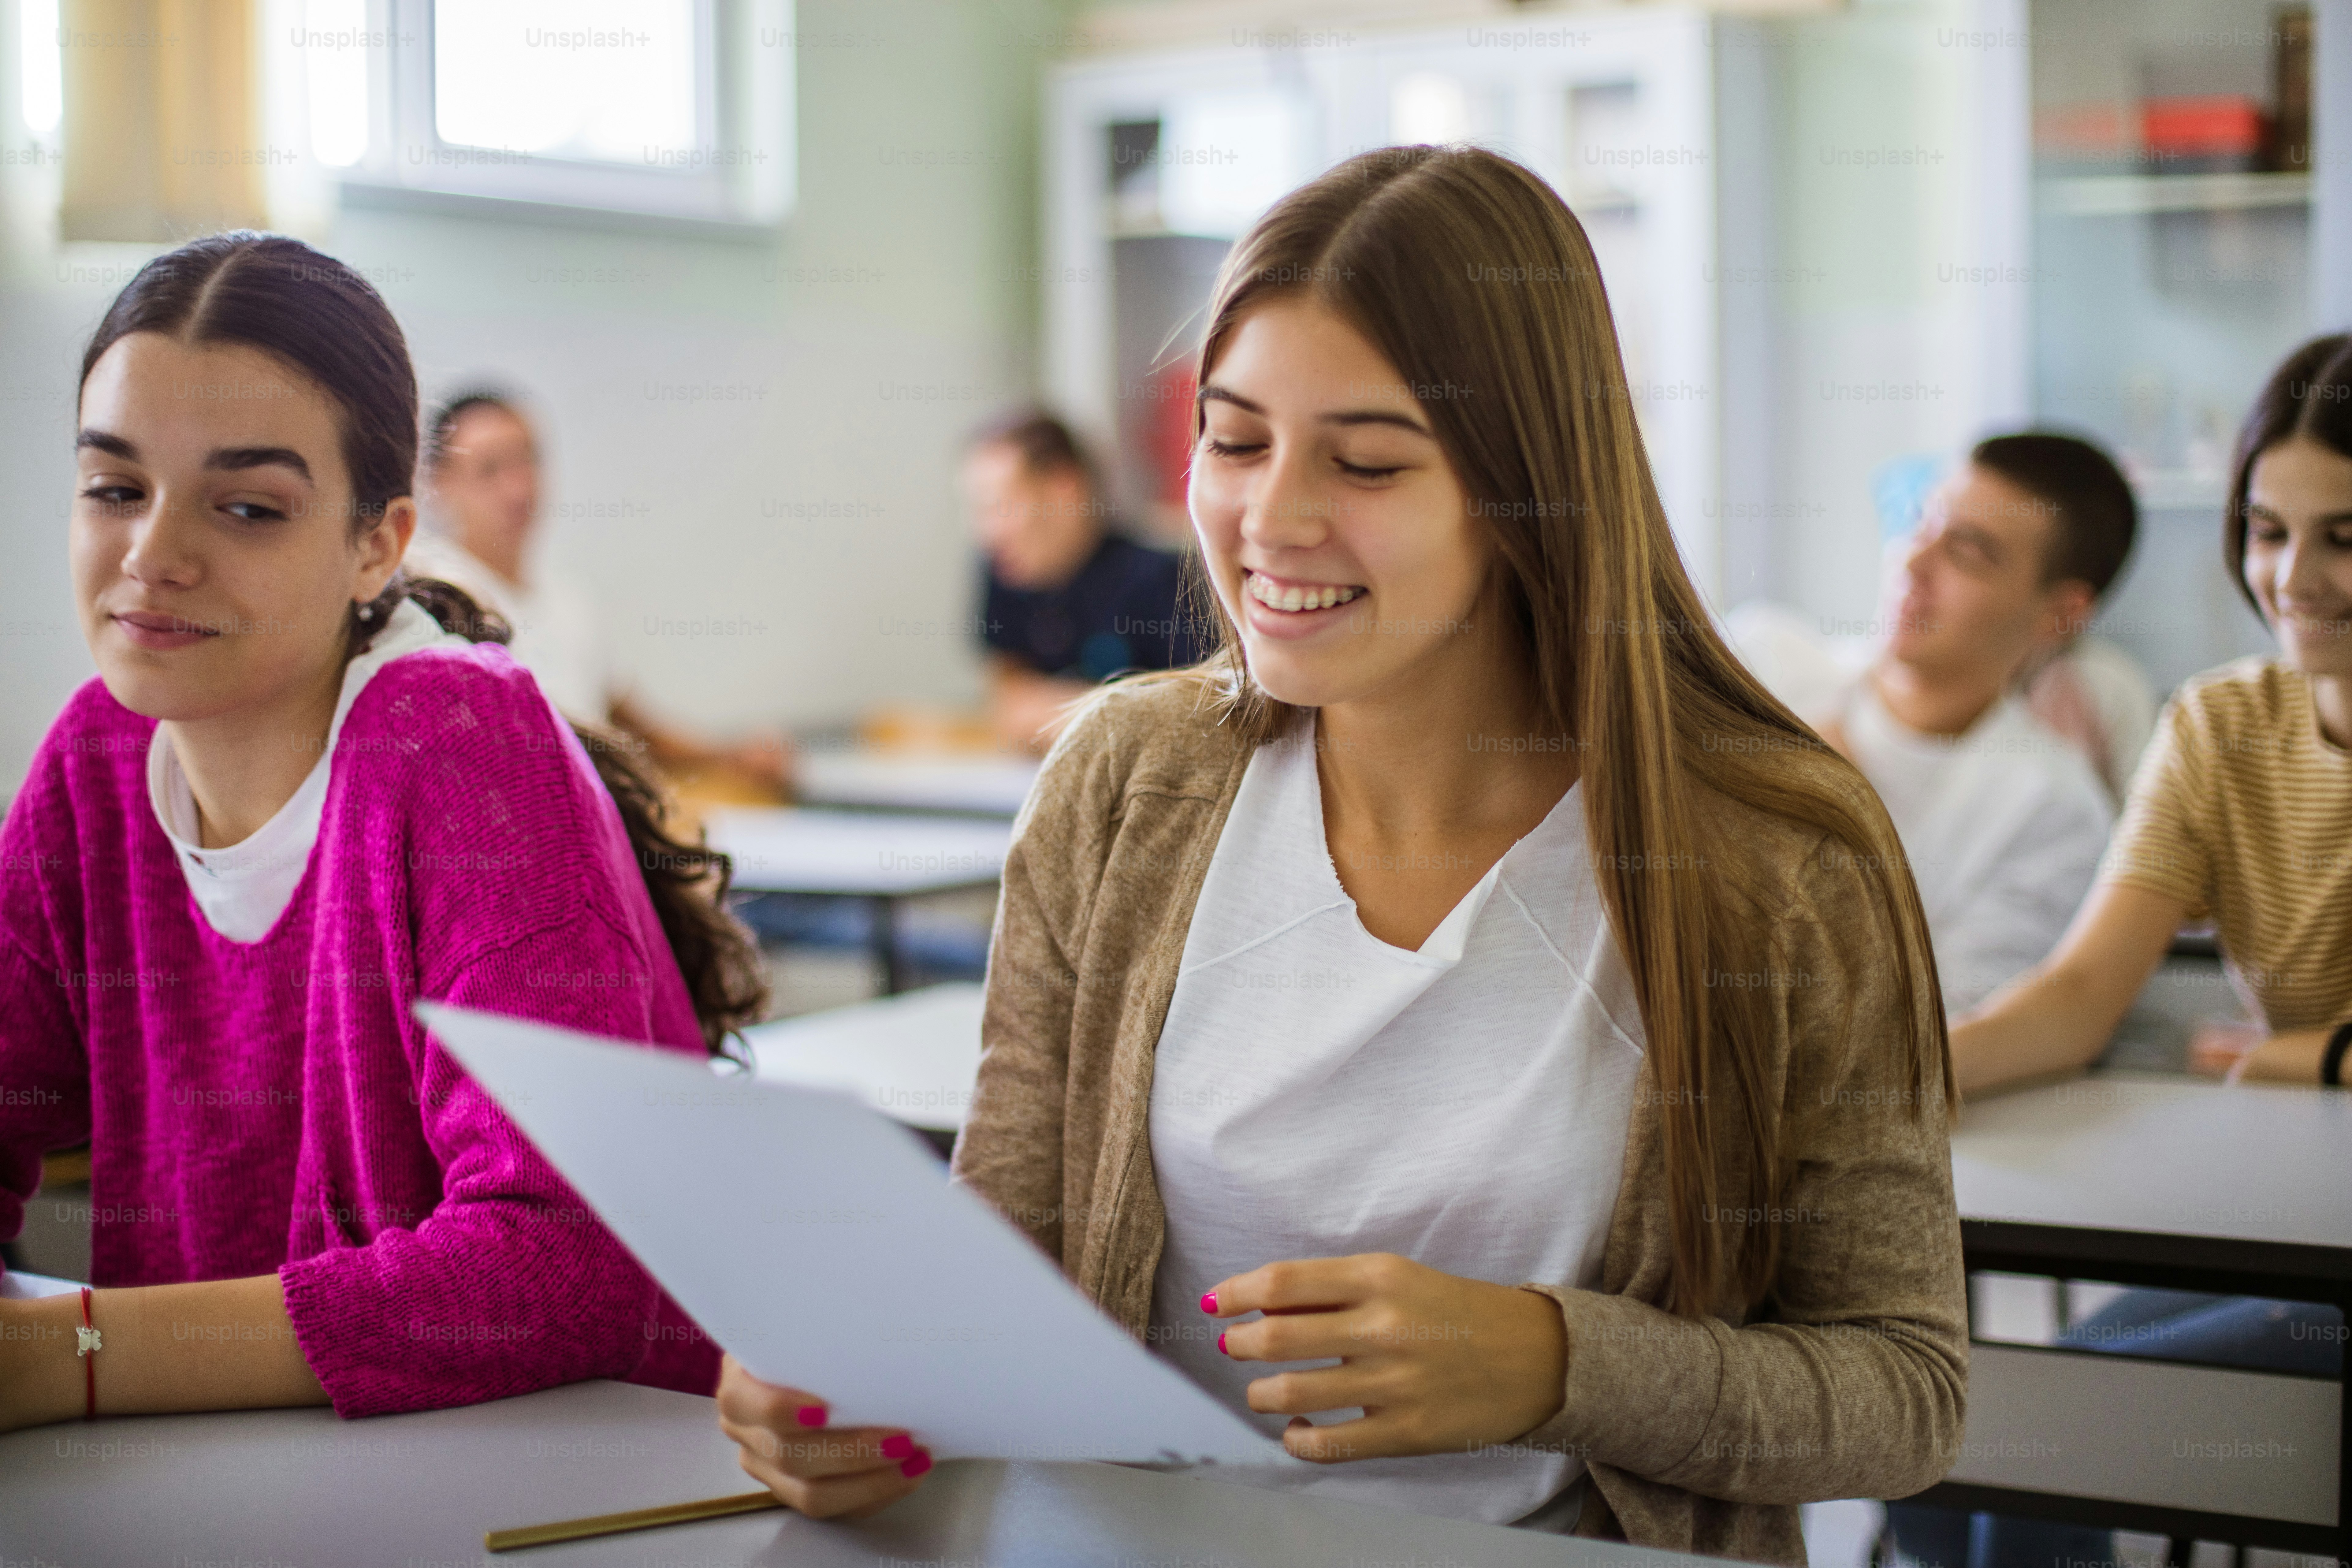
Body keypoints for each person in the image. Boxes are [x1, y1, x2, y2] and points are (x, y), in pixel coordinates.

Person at [711, 146, 1966, 1562]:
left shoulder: (1775, 852)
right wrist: (858, 1374)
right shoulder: (1121, 781)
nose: (1271, 518)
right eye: (1235, 442)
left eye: (1366, 461)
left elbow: (1903, 1391)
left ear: (1530, 491)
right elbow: (1008, 1245)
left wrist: (1558, 1365)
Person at [0, 234, 767, 1432]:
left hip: (586, 1474)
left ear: (379, 542)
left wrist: (76, 1355)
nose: (152, 555)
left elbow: (564, 1265)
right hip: (246, 1470)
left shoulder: (454, 739)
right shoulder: (97, 758)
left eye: (247, 506)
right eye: (113, 488)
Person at [1891, 335, 2352, 1568]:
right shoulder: (2218, 726)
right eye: (2265, 530)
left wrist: (2314, 1055)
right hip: (2298, 1238)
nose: (2290, 575)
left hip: (2321, 1257)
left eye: (2339, 538)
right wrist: (1879, 1087)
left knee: (2066, 1414)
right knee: (1930, 1417)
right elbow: (2077, 997)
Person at [1727, 433, 2138, 1011]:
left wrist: (1836, 814)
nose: (1913, 562)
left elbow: (1920, 1036)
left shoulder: (2053, 816)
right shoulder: (1761, 668)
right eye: (1920, 522)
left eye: (1967, 552)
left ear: (2058, 614)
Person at [414, 389, 791, 795]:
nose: (516, 489)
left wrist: (731, 756)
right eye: (490, 469)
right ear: (440, 483)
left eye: (527, 461)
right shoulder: (435, 600)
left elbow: (633, 729)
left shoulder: (569, 601)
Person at [963, 410, 1207, 752]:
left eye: (1001, 506)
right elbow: (1008, 703)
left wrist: (1063, 709)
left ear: (1062, 487)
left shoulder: (1160, 581)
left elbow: (1200, 714)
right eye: (978, 511)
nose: (988, 534)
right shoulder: (1004, 574)